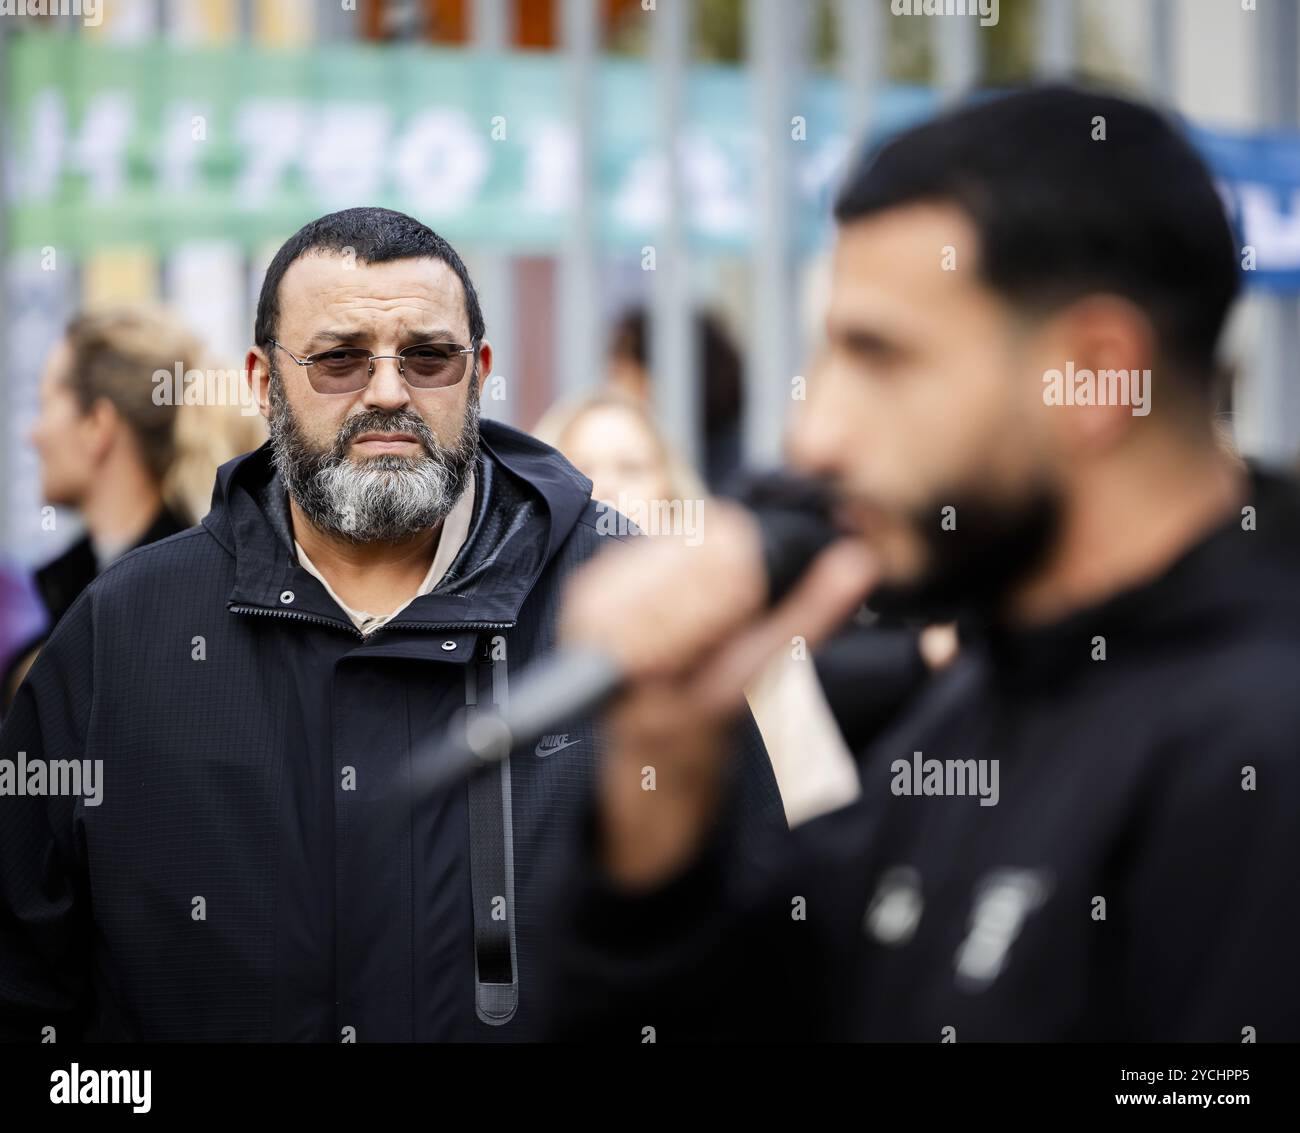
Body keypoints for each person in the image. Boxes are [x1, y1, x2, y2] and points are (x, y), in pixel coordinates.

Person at [543, 86, 1300, 1041]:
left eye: (880, 356)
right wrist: (666, 781)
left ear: (1097, 375)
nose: (813, 435)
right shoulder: (985, 698)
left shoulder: (1261, 745)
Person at [0, 207, 783, 1042]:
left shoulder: (625, 611)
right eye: (338, 359)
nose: (386, 390)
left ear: (477, 373)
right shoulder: (122, 633)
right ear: (264, 383)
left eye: (427, 357)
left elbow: (760, 963)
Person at [534, 389, 860, 825]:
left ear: (671, 497)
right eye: (580, 469)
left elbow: (815, 807)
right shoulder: (515, 628)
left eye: (631, 468)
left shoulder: (751, 639)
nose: (604, 487)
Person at [1, 308, 196, 712]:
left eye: (47, 404)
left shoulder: (180, 605)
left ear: (97, 425)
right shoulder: (82, 588)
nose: (32, 434)